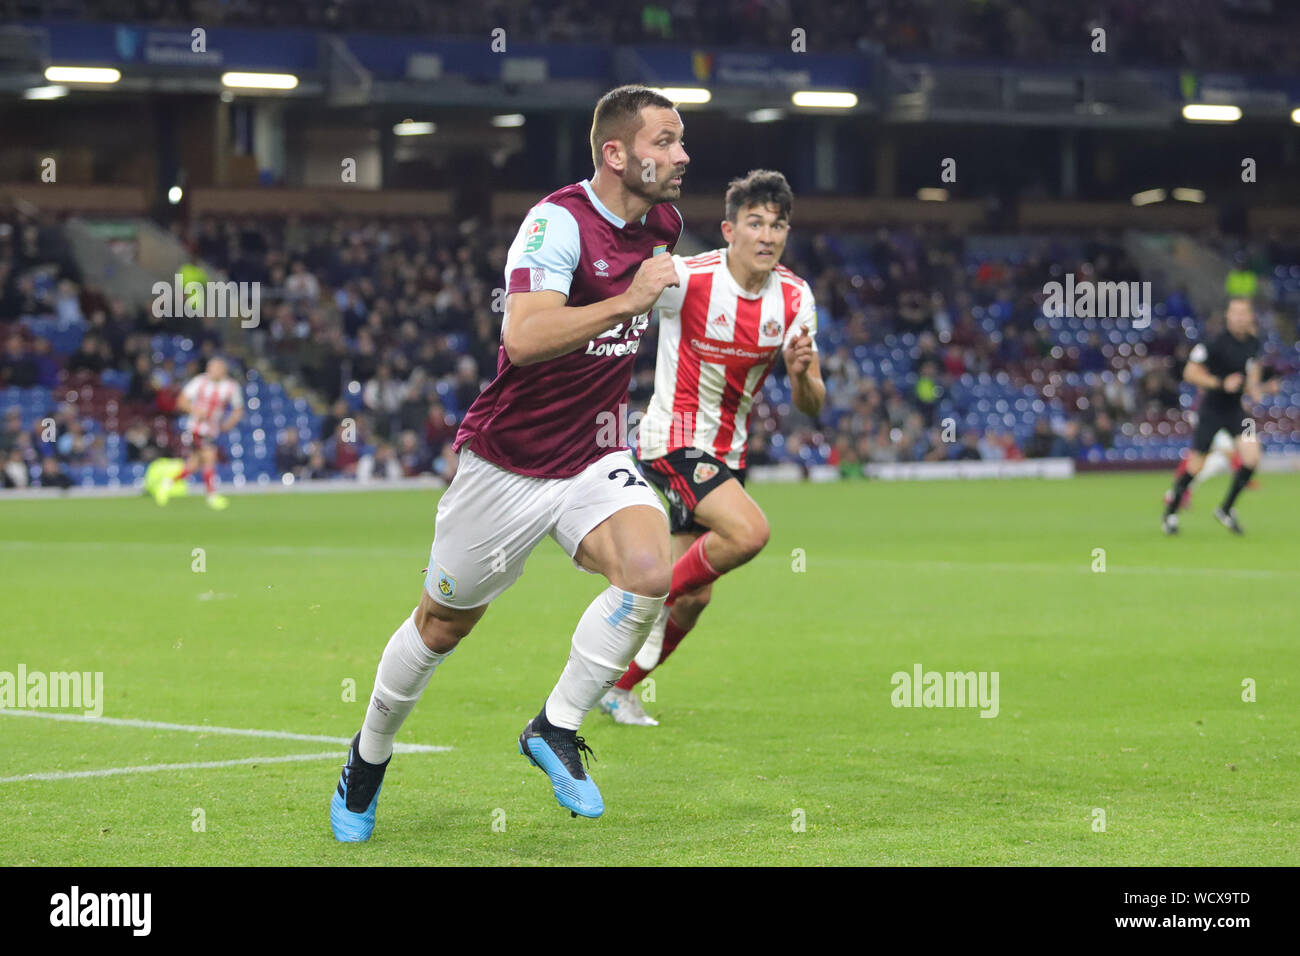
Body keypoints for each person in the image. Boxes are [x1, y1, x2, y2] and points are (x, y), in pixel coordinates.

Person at [330, 85, 689, 840]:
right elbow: (523, 339)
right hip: (507, 464)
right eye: (665, 141)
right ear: (617, 153)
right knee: (441, 627)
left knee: (652, 573)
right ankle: (367, 757)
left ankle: (555, 728)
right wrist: (627, 301)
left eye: (681, 140)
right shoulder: (555, 222)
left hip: (594, 455)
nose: (681, 155)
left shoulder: (664, 223)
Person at [600, 169, 825, 726]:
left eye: (777, 225)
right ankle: (630, 603)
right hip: (669, 439)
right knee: (750, 533)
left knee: (694, 598)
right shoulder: (687, 279)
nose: (767, 236)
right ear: (729, 230)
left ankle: (617, 687)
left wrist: (801, 376)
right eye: (755, 223)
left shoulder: (795, 299)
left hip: (728, 454)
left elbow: (813, 404)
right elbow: (620, 306)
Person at [1163, 298, 1277, 535]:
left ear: (1250, 317)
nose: (1239, 317)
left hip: (1236, 410)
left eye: (1243, 313)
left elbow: (1251, 371)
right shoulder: (1214, 343)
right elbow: (1190, 372)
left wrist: (1258, 388)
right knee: (1196, 465)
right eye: (1235, 313)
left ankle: (1225, 509)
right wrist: (1220, 382)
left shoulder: (1253, 343)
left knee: (1252, 456)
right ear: (1228, 316)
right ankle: (1171, 512)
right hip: (1212, 409)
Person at [148, 356, 244, 509]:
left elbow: (238, 410)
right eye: (210, 367)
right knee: (209, 456)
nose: (211, 371)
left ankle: (166, 484)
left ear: (223, 370)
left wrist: (228, 424)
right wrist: (195, 410)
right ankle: (212, 496)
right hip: (197, 429)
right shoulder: (200, 382)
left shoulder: (231, 387)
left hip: (213, 430)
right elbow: (181, 401)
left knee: (193, 465)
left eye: (214, 368)